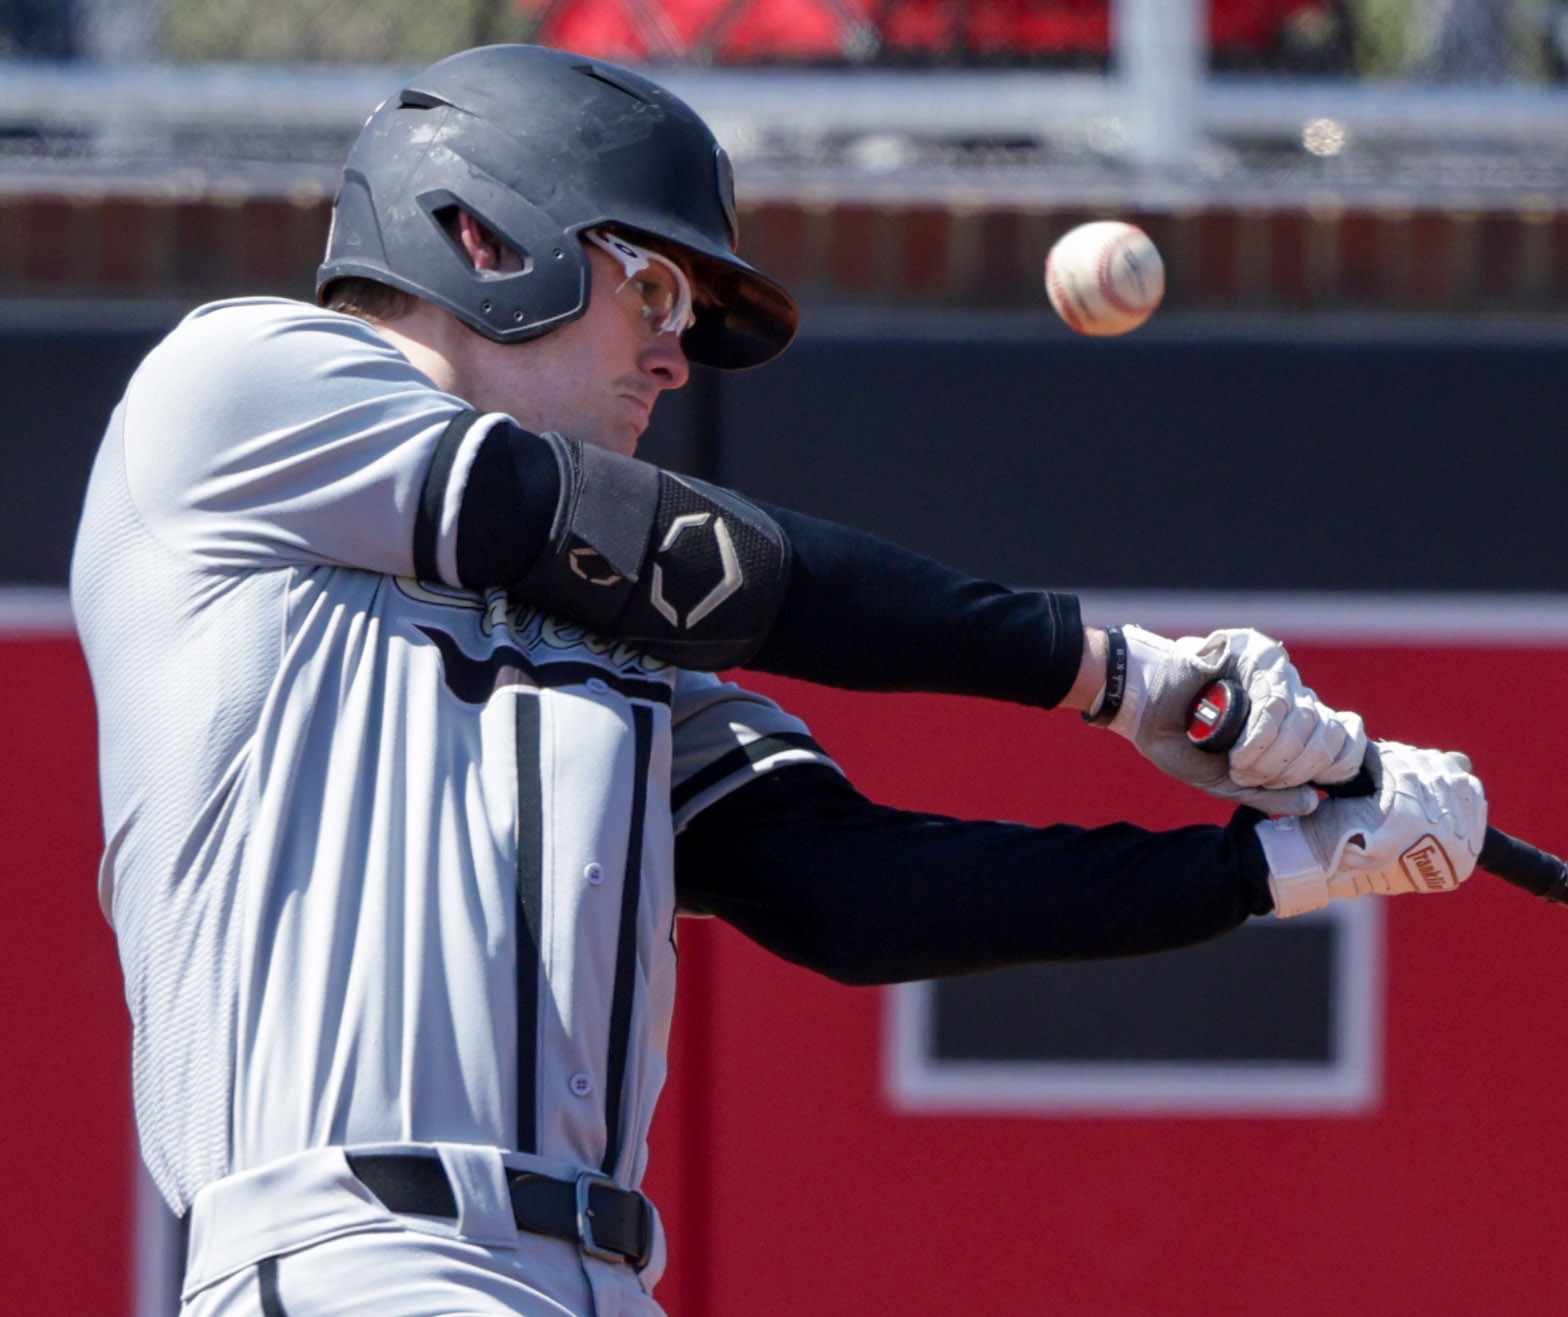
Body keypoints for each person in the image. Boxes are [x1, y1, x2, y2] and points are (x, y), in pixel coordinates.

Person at [72, 44, 1486, 1317]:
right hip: (351, 1260)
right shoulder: (242, 390)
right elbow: (669, 549)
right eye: (655, 286)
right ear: (479, 235)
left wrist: (1282, 864)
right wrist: (1115, 676)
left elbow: (847, 888)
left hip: (597, 1280)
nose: (677, 354)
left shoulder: (601, 644)